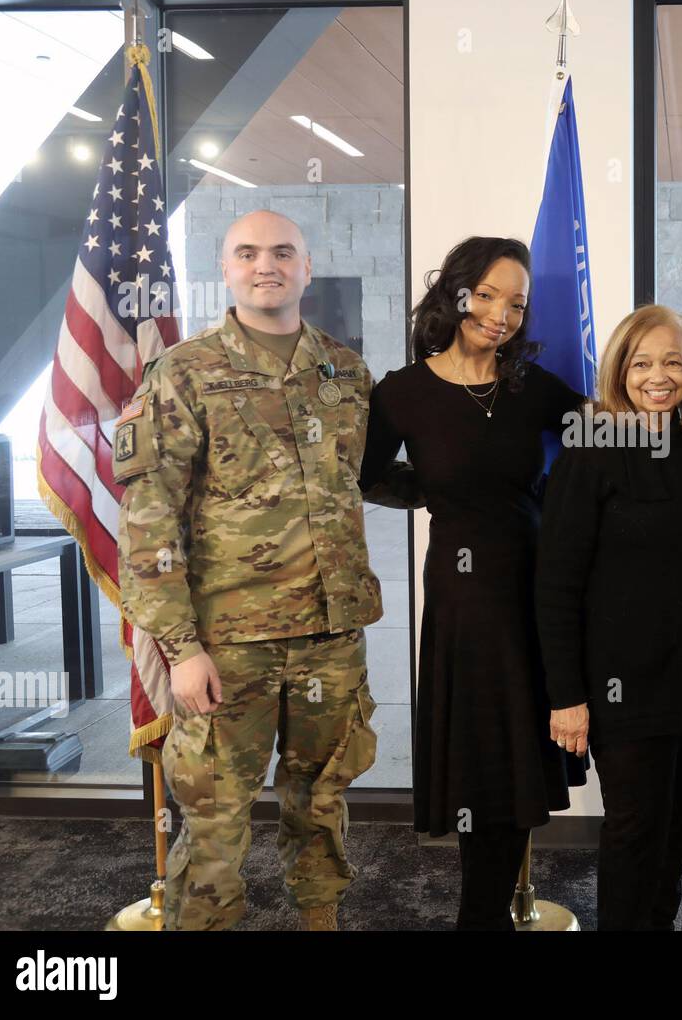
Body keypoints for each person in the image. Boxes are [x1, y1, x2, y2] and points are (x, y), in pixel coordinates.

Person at [114, 209, 381, 931]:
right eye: (248, 252)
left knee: (322, 801)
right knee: (214, 818)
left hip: (330, 635)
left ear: (306, 266)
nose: (267, 264)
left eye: (283, 251)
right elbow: (148, 521)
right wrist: (181, 649)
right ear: (227, 269)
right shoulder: (183, 372)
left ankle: (321, 918)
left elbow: (371, 475)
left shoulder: (345, 371)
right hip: (226, 644)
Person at [359, 236, 584, 931]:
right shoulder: (401, 391)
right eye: (487, 295)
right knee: (482, 762)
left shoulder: (530, 385)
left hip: (535, 591)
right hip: (463, 599)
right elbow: (365, 476)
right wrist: (432, 491)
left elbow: (602, 437)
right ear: (456, 293)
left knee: (518, 761)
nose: (501, 314)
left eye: (515, 302)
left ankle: (487, 914)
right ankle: (479, 915)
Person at [536, 306, 682, 931]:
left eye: (673, 362)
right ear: (620, 370)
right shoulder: (591, 451)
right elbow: (556, 583)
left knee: (676, 825)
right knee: (633, 831)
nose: (659, 376)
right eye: (643, 362)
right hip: (619, 686)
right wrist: (566, 696)